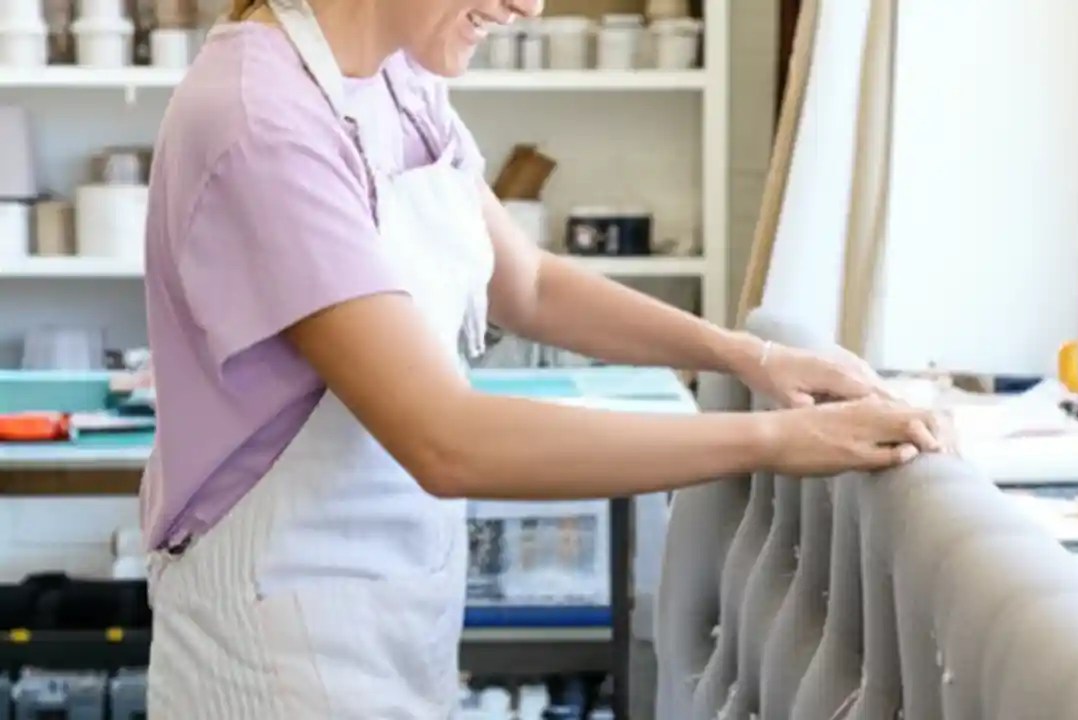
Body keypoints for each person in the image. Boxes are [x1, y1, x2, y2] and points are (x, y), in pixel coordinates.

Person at [139, 0, 946, 716]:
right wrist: (772, 444)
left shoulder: (394, 79)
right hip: (278, 628)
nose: (527, 6)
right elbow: (446, 442)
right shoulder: (262, 121)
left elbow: (529, 284)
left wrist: (749, 357)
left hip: (382, 598)